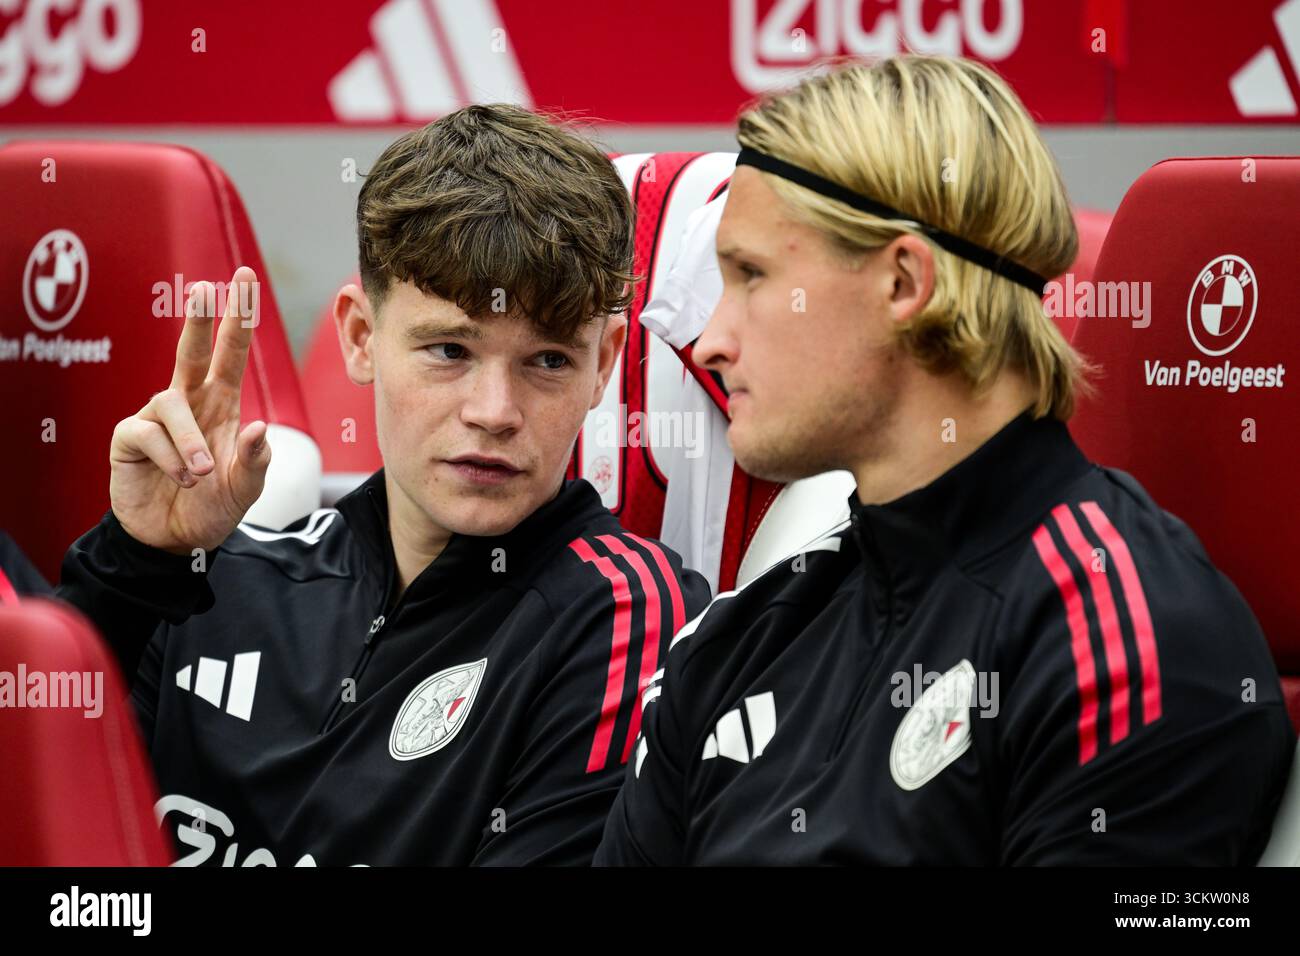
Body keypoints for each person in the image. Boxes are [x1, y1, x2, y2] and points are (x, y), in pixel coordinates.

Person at [594, 55, 1295, 865]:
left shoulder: (1128, 644)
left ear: (902, 281)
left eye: (752, 275)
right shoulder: (738, 641)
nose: (709, 340)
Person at [57, 104, 710, 866]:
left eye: (549, 361)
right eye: (449, 350)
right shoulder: (213, 577)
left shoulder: (625, 617)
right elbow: (44, 821)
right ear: (361, 338)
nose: (494, 414)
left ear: (605, 365)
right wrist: (134, 565)